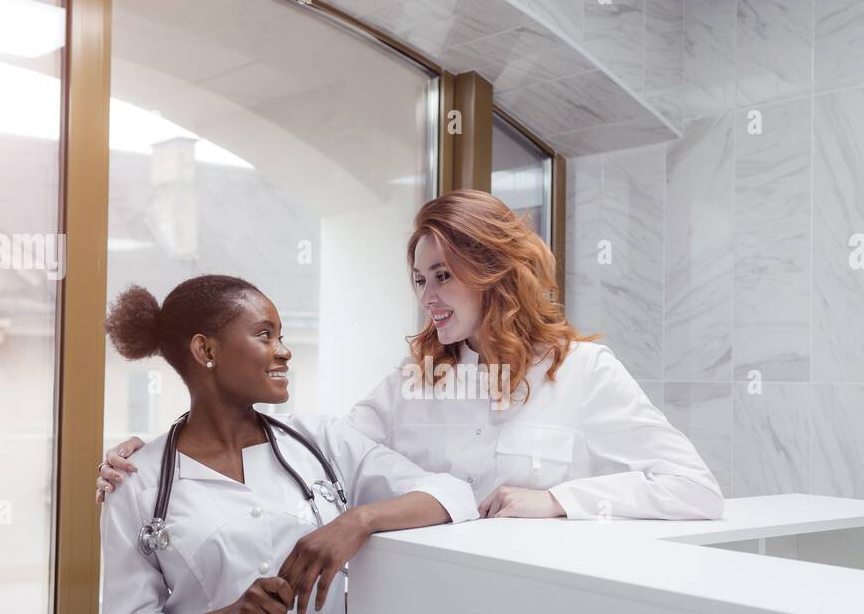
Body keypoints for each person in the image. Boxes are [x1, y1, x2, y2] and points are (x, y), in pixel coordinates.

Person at [99, 190, 723, 522]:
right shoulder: (415, 380)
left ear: (493, 273)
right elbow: (315, 450)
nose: (427, 296)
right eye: (420, 279)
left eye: (443, 276)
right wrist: (163, 455)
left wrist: (561, 502)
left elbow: (694, 490)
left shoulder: (582, 371)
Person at [99, 274, 476, 614]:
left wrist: (355, 522)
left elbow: (450, 494)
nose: (285, 350)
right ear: (205, 349)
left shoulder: (320, 442)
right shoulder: (135, 481)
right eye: (265, 334)